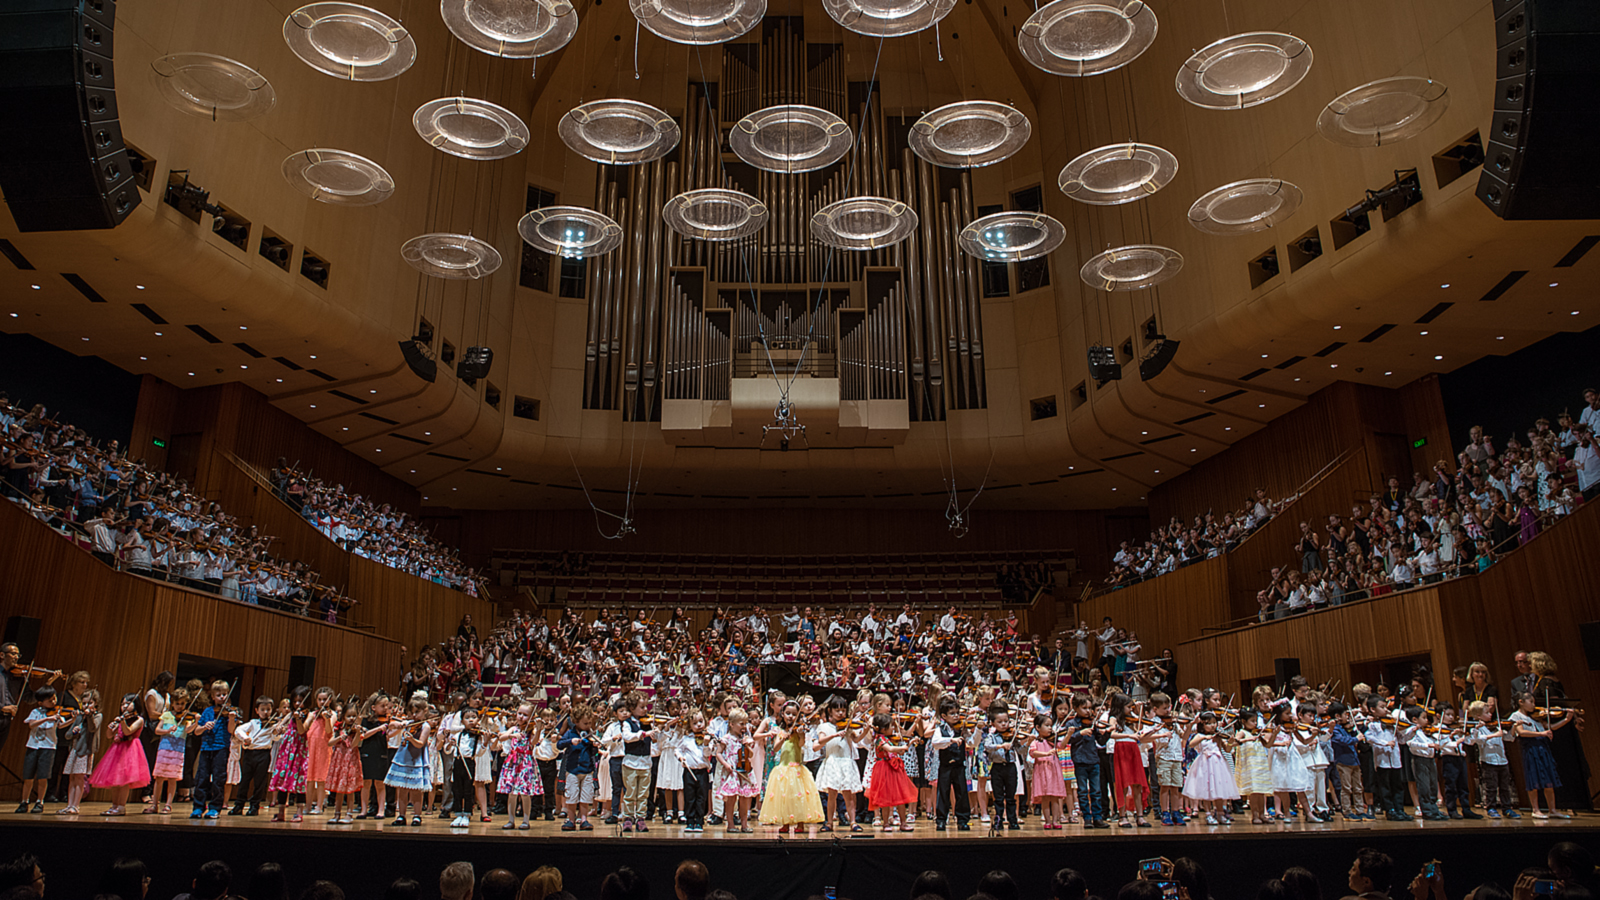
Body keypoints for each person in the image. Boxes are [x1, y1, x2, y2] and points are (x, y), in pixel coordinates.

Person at [759, 701, 823, 835]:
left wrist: (801, 735)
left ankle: (800, 823)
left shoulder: (798, 730)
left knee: (798, 796)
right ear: (782, 714)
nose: (791, 717)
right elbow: (776, 748)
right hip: (783, 768)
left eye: (794, 714)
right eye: (788, 713)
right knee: (784, 797)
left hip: (796, 768)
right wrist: (782, 738)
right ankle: (786, 823)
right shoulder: (780, 731)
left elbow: (800, 744)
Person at [1509, 691, 1575, 818]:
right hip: (1530, 749)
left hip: (1542, 748)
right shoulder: (1515, 716)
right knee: (1533, 779)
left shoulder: (1535, 717)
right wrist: (1541, 734)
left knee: (1549, 779)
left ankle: (1552, 810)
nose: (1534, 705)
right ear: (1521, 702)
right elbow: (1522, 733)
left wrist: (1567, 719)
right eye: (1531, 702)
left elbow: (1551, 727)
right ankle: (1535, 810)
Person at [87, 694, 149, 815]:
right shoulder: (121, 718)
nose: (124, 706)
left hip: (130, 749)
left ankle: (121, 807)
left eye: (128, 703)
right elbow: (109, 736)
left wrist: (123, 722)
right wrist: (111, 728)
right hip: (117, 750)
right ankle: (114, 805)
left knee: (124, 781)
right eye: (123, 704)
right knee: (115, 781)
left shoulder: (139, 719)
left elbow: (129, 731)